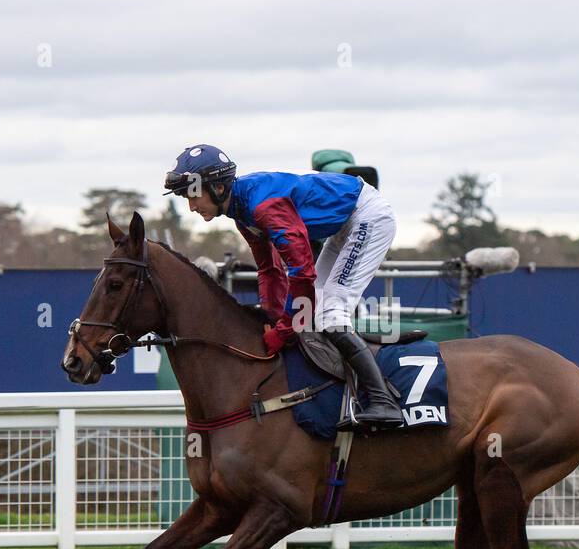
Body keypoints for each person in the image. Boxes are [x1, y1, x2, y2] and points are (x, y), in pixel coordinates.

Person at [164, 144, 405, 430]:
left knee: (330, 313)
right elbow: (270, 270)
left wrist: (284, 331)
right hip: (344, 224)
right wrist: (274, 318)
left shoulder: (263, 207)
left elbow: (301, 272)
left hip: (367, 217)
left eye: (193, 195)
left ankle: (383, 402)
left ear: (217, 186)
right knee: (314, 310)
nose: (191, 206)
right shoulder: (241, 212)